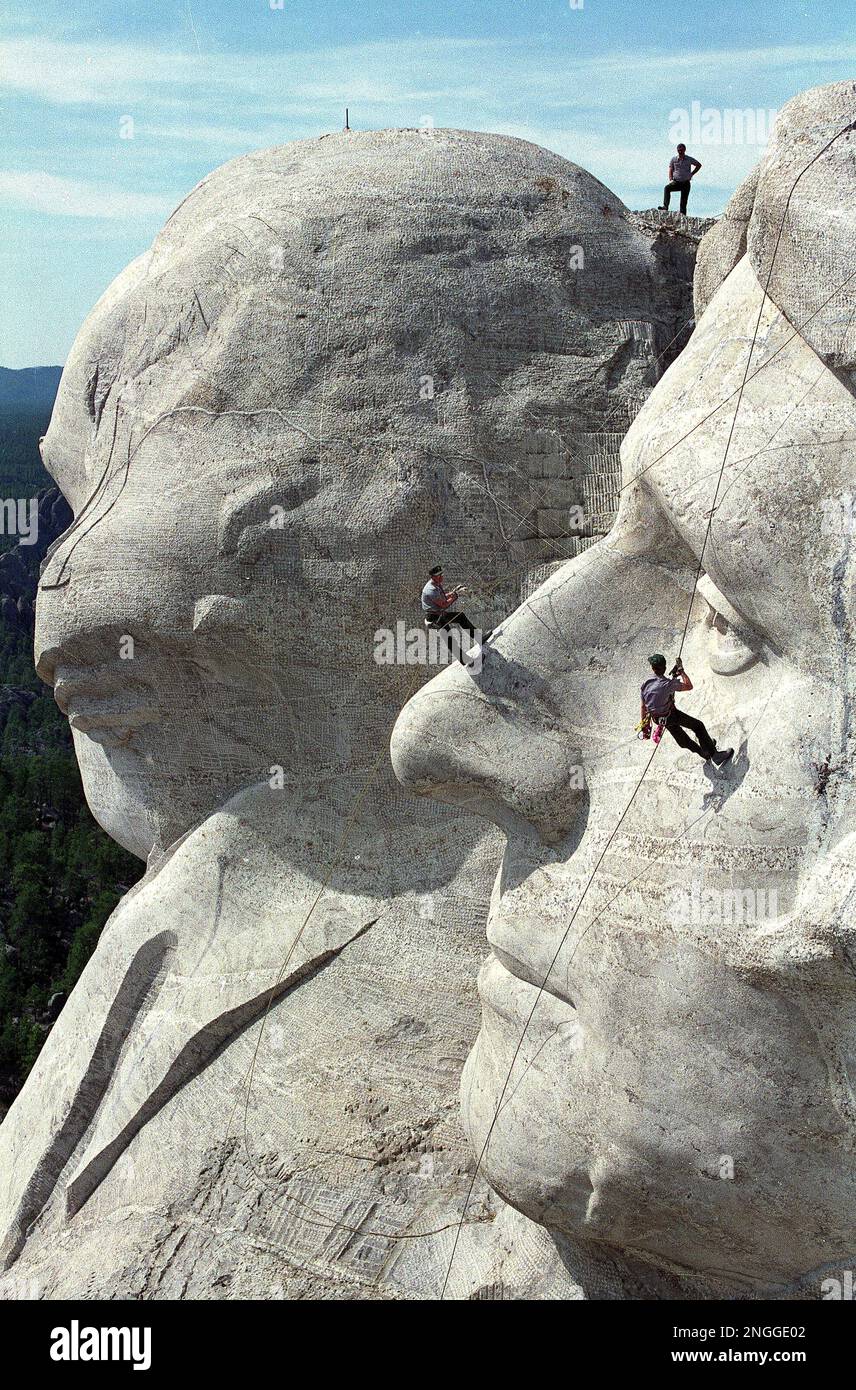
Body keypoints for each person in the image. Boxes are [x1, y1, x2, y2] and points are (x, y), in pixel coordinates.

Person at [640, 653, 733, 765]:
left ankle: (703, 752)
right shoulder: (667, 684)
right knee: (698, 726)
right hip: (670, 715)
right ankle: (715, 755)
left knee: (681, 737)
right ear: (664, 668)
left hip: (657, 719)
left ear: (652, 668)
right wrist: (682, 671)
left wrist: (644, 725)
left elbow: (643, 706)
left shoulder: (646, 683)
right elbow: (688, 686)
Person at [421, 564, 481, 656]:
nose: (441, 577)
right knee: (450, 640)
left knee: (460, 617)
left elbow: (442, 596)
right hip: (434, 618)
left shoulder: (435, 584)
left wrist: (453, 592)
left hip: (438, 615)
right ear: (433, 577)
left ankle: (479, 638)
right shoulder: (431, 590)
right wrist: (456, 596)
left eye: (442, 574)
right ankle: (466, 661)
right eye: (439, 576)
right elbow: (443, 604)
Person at [659, 144, 702, 216]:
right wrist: (670, 177)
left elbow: (699, 165)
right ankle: (665, 206)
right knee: (667, 188)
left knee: (683, 202)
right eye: (679, 150)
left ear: (684, 150)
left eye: (681, 150)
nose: (680, 152)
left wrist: (692, 174)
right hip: (677, 182)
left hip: (686, 183)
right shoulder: (674, 159)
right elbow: (671, 168)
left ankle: (683, 216)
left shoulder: (689, 159)